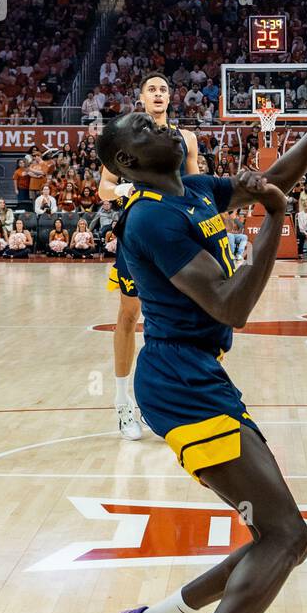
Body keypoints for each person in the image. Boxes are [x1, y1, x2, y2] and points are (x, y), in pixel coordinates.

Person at [101, 55, 307, 613]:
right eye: (136, 122)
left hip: (196, 380)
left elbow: (274, 180)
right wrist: (278, 226)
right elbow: (233, 305)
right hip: (180, 387)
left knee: (285, 537)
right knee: (284, 536)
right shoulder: (149, 219)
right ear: (128, 157)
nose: (153, 119)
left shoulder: (187, 190)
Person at [98, 72, 201, 443]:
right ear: (140, 98)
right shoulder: (125, 137)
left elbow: (197, 188)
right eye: (152, 89)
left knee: (177, 322)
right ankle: (123, 400)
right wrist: (123, 186)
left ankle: (168, 401)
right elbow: (103, 188)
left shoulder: (184, 139)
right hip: (139, 233)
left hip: (175, 236)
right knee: (129, 315)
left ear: (170, 98)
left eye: (163, 89)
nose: (158, 94)